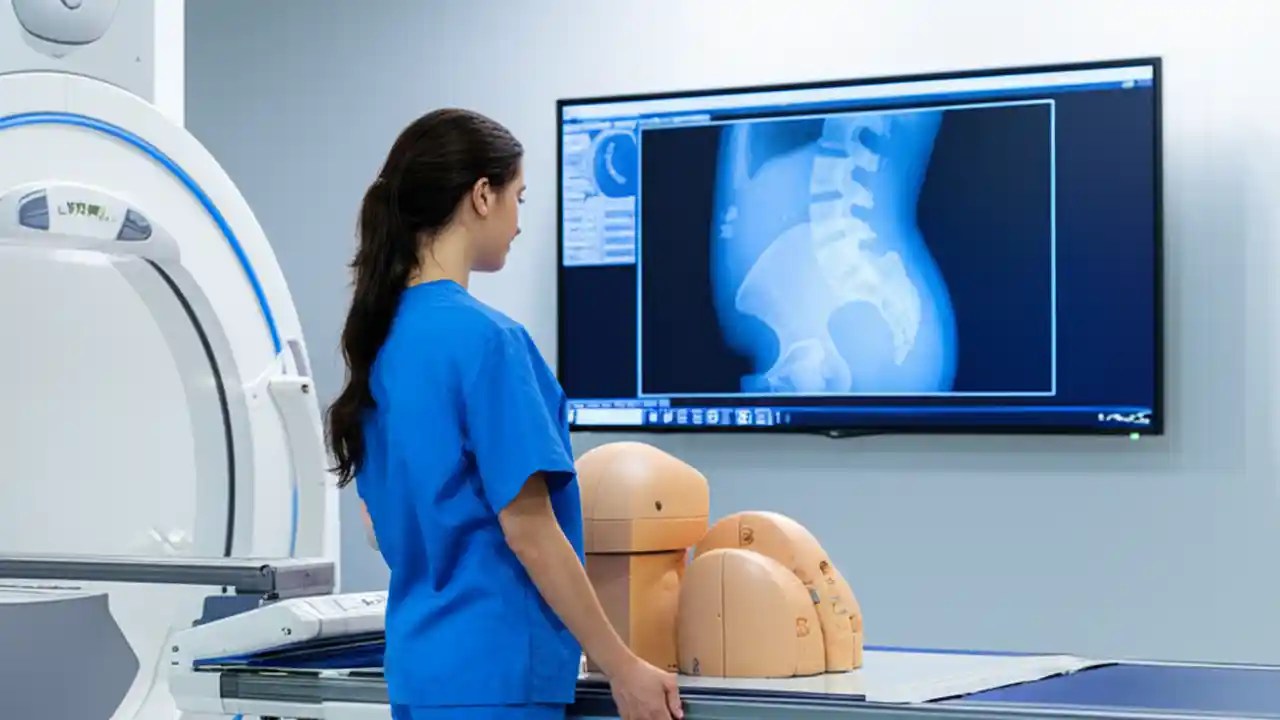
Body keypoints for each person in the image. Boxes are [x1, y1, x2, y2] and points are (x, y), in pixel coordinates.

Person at [324, 108, 684, 720]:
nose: (520, 221)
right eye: (518, 196)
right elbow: (531, 531)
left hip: (420, 675)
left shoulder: (381, 344)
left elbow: (385, 526)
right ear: (482, 196)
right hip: (498, 679)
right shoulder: (490, 342)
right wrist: (621, 665)